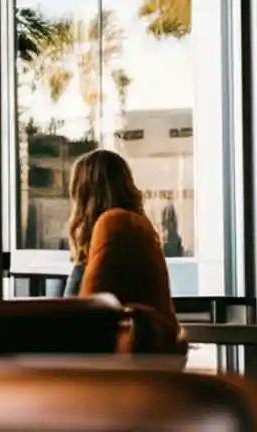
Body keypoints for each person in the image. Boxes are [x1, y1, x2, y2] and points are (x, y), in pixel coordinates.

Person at [62, 149, 187, 358]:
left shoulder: (110, 231)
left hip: (104, 370)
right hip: (149, 363)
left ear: (84, 196)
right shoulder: (139, 232)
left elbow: (74, 321)